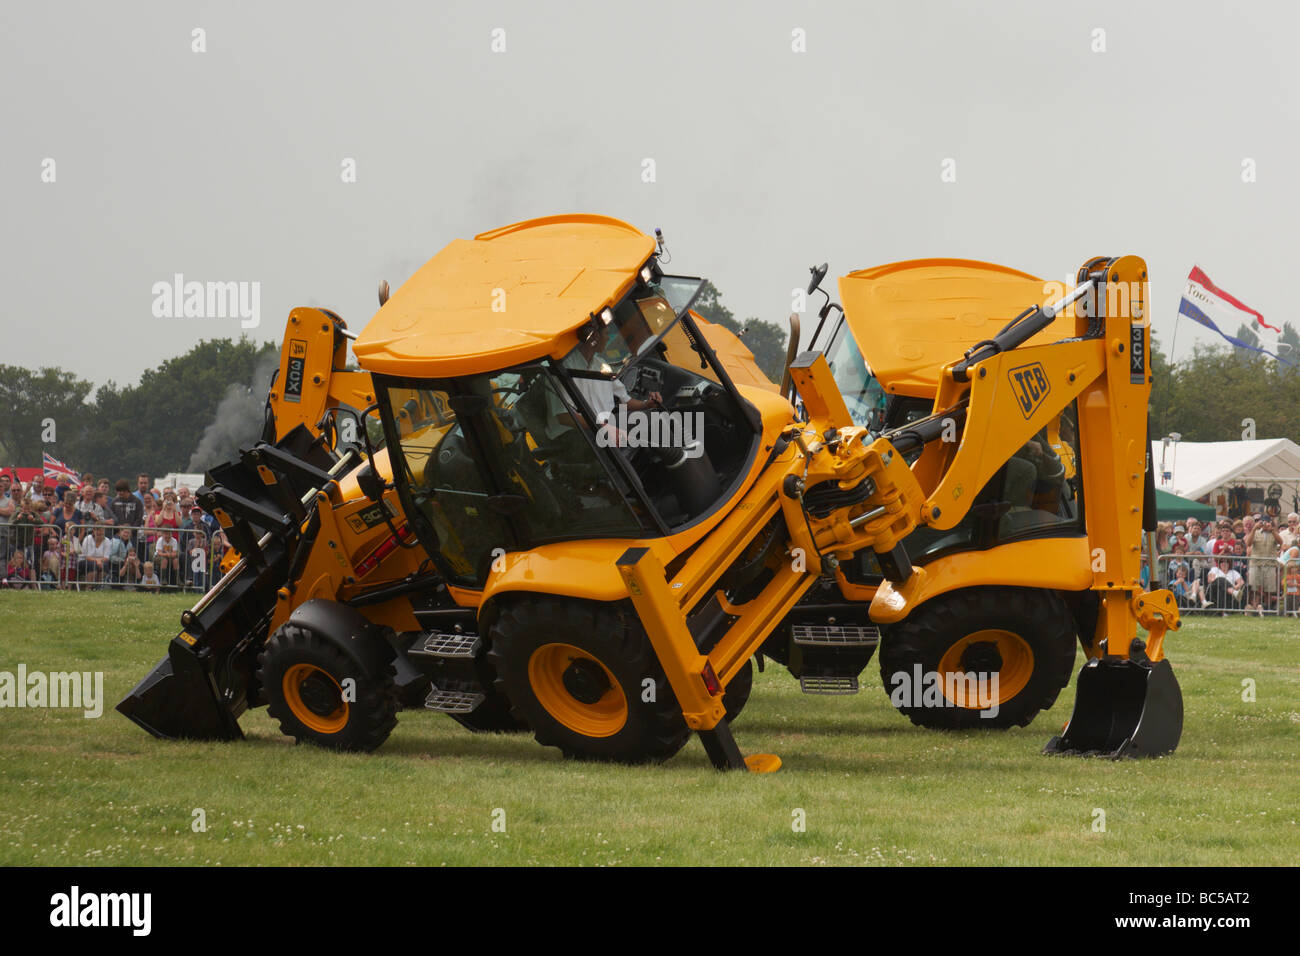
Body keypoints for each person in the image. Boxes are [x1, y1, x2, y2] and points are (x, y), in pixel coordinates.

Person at [1246, 516, 1283, 614]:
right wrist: (1254, 528)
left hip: (1269, 564)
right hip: (1256, 564)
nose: (1265, 525)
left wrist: (1273, 530)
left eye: (1267, 522)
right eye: (1263, 522)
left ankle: (1267, 609)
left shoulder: (1274, 533)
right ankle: (1254, 609)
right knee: (1254, 589)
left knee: (1269, 589)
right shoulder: (1256, 533)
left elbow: (1281, 542)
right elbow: (1248, 543)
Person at [78, 524, 113, 589]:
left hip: (101, 561)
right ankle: (89, 587)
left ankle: (98, 586)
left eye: (102, 531)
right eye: (98, 531)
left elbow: (106, 557)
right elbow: (86, 556)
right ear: (93, 531)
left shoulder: (107, 541)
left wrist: (99, 561)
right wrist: (97, 561)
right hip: (85, 561)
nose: (100, 532)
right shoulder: (88, 539)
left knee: (105, 565)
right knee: (93, 565)